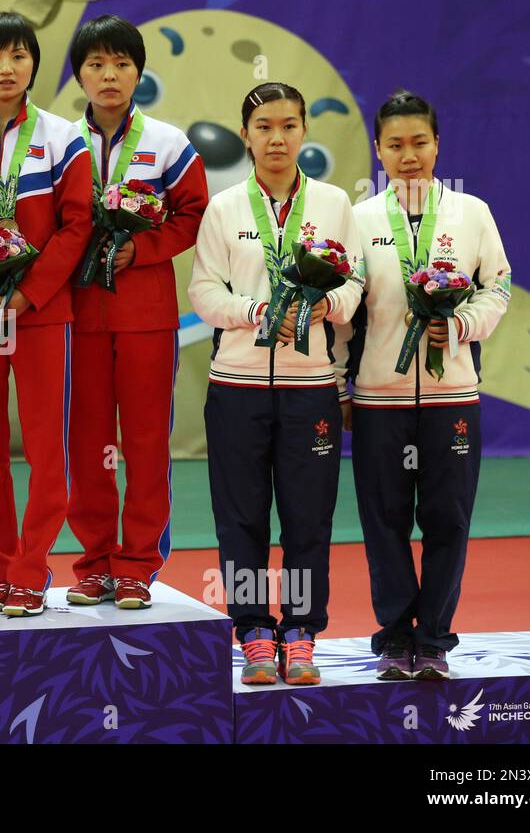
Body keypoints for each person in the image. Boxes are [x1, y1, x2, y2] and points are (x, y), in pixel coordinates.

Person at [188, 82, 365, 684]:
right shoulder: (224, 207)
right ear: (245, 135)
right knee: (240, 517)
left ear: (305, 131)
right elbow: (203, 292)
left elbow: (354, 284)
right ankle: (254, 631)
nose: (277, 138)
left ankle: (300, 631)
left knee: (308, 518)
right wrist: (256, 313)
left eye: (288, 126)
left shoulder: (335, 204)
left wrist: (327, 305)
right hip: (237, 384)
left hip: (309, 384)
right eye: (264, 127)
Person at [338, 90, 510, 681]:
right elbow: (347, 315)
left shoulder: (472, 213)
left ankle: (433, 639)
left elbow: (499, 288)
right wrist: (342, 389)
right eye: (395, 145)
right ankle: (393, 637)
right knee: (382, 519)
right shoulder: (357, 221)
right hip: (379, 395)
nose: (408, 155)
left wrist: (461, 324)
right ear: (378, 149)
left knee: (448, 518)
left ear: (437, 143)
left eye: (419, 142)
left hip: (452, 396)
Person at [0, 11, 93, 617]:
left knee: (43, 449)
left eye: (19, 56)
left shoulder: (63, 137)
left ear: (34, 63)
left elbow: (77, 224)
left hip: (41, 312)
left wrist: (30, 292)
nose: (6, 69)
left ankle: (32, 571)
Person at [63, 15, 208, 610]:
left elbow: (193, 214)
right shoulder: (58, 141)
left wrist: (139, 248)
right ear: (80, 75)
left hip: (147, 311)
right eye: (96, 64)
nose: (109, 75)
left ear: (139, 73)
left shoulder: (169, 142)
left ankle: (139, 563)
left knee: (146, 440)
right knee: (87, 439)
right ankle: (95, 561)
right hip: (80, 311)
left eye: (121, 64)